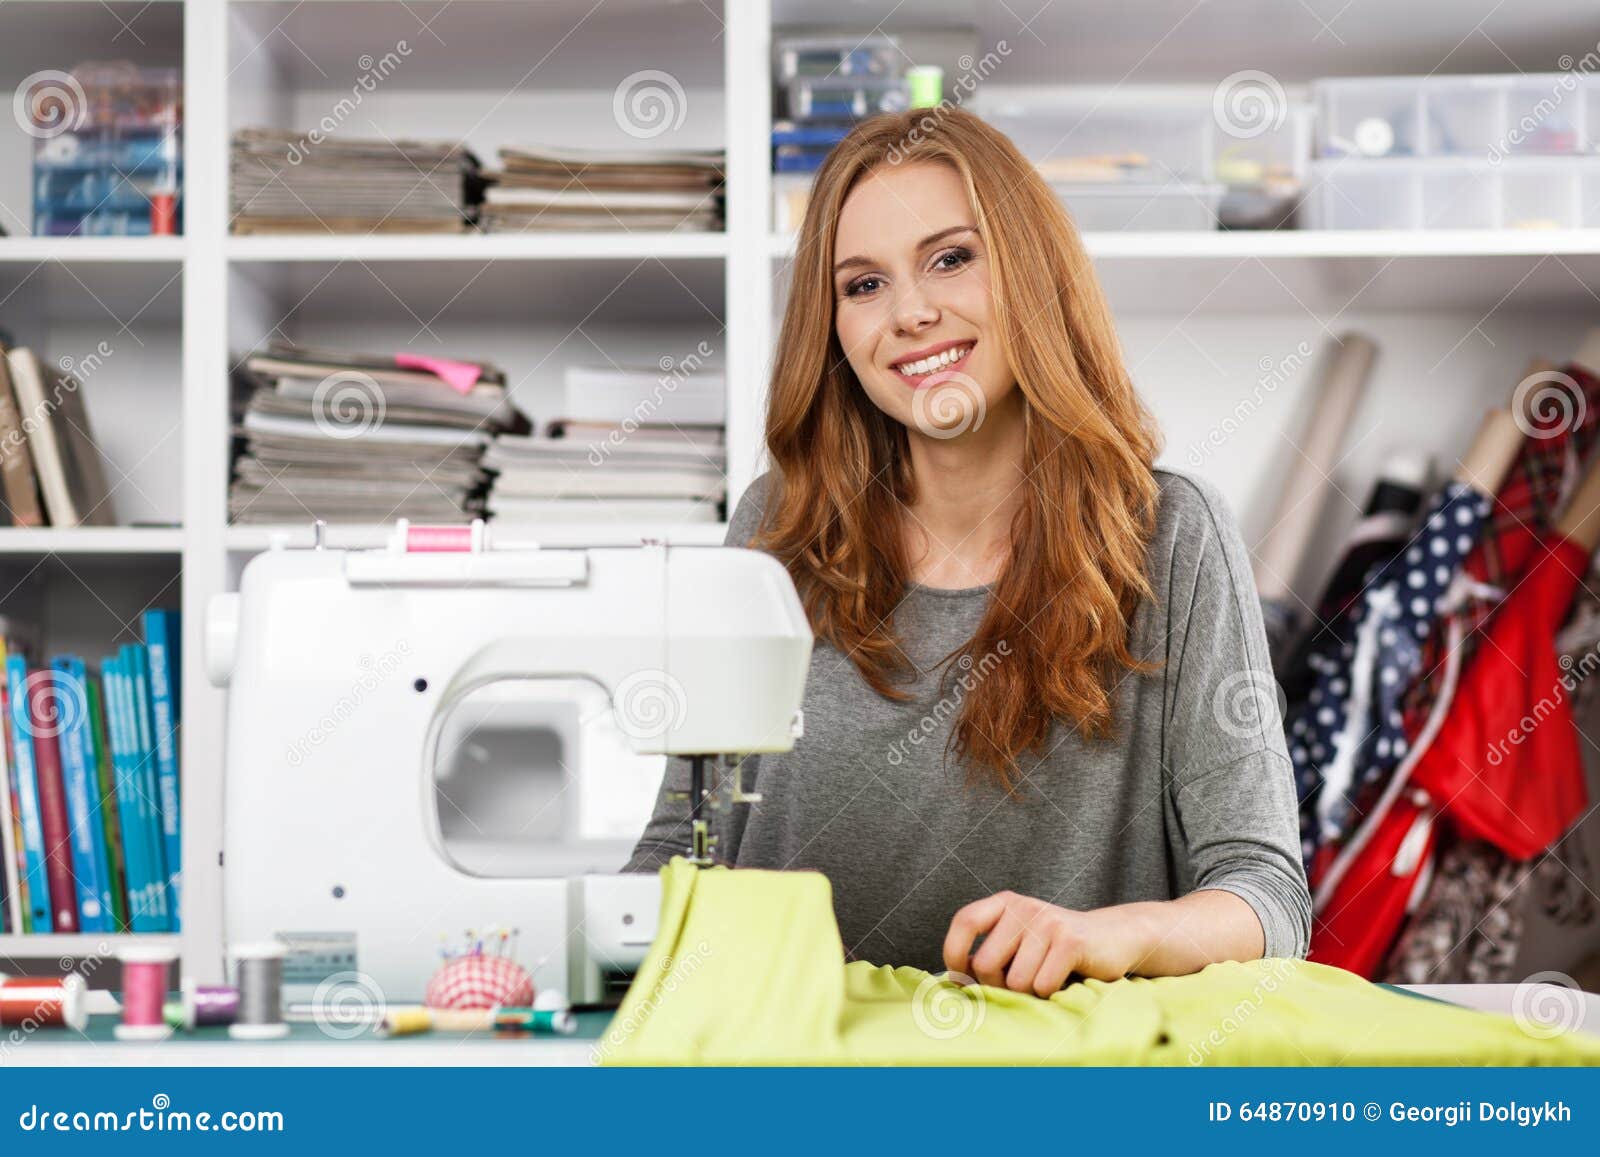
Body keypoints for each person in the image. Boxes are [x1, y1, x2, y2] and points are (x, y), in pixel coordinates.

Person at [625, 106, 1310, 996]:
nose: (910, 312)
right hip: (795, 1063)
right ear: (831, 328)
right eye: (862, 285)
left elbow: (1267, 897)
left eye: (951, 258)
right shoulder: (776, 527)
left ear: (1030, 272)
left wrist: (1109, 933)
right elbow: (681, 844)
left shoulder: (1173, 533)